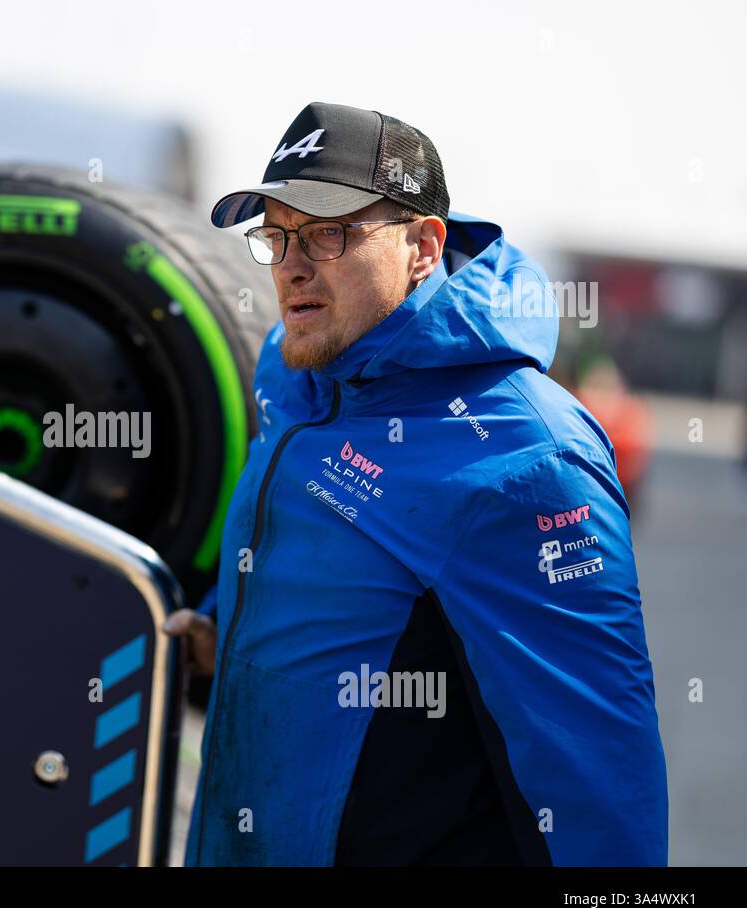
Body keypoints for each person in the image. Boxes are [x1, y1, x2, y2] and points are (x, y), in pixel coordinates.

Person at [165, 102, 667, 866]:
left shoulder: (531, 457)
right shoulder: (298, 368)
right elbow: (322, 563)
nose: (293, 266)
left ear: (423, 245)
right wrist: (223, 627)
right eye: (276, 234)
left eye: (328, 233)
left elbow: (600, 788)